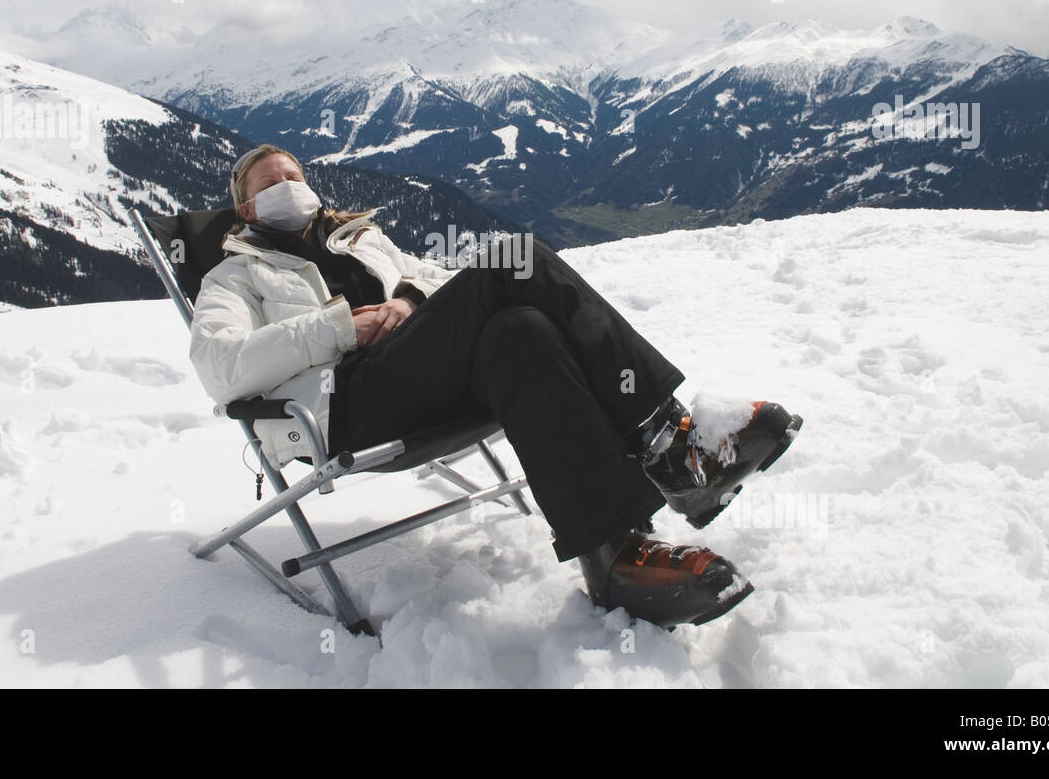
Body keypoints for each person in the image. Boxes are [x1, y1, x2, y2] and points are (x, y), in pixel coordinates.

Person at [187, 143, 803, 629]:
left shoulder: (357, 240)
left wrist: (403, 297)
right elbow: (220, 366)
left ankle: (615, 556)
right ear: (245, 210)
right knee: (519, 257)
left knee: (521, 329)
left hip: (418, 375)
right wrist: (339, 327)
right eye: (270, 184)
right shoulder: (235, 276)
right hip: (345, 404)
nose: (287, 188)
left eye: (293, 175)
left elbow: (438, 280)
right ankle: (673, 446)